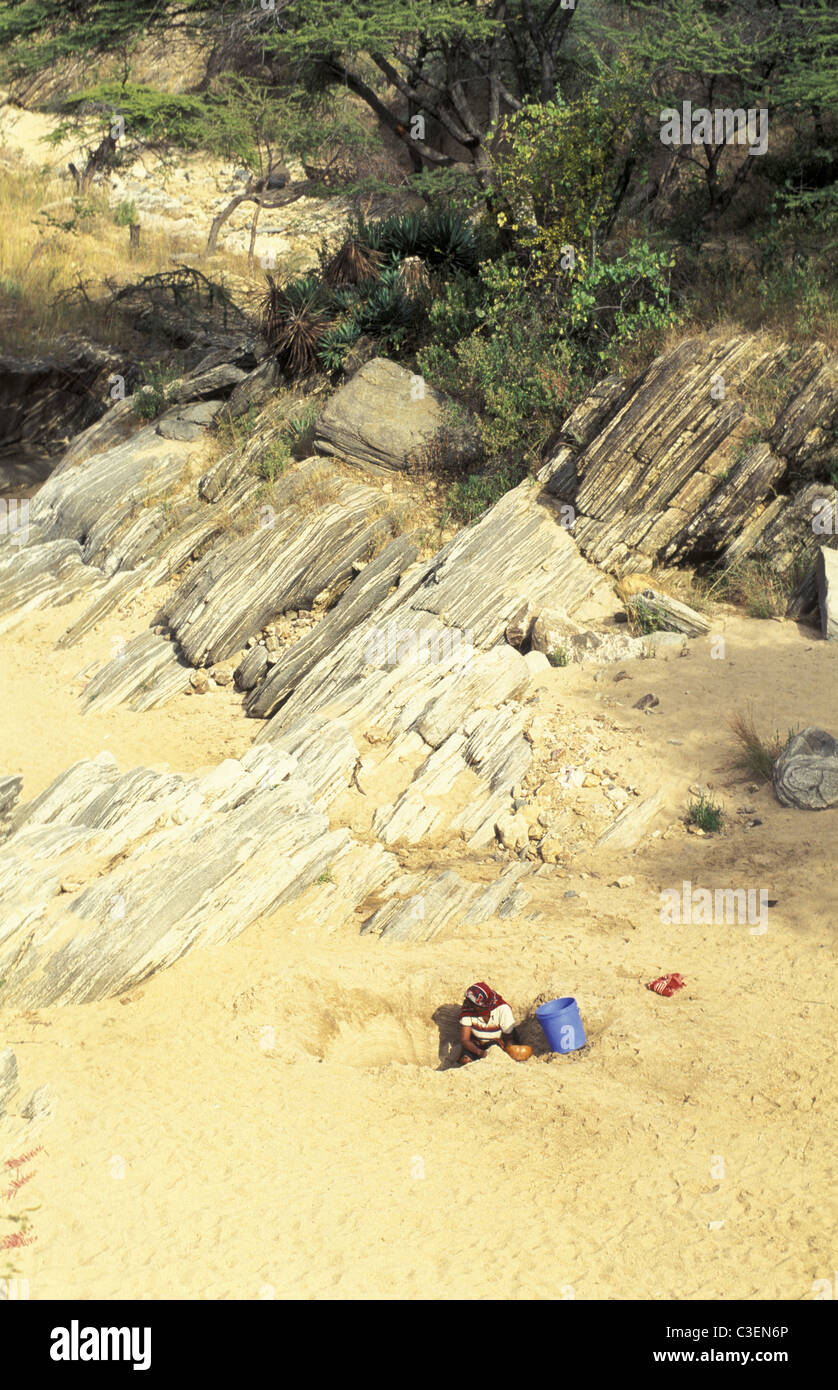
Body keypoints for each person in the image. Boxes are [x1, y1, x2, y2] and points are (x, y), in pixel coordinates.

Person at [458, 982, 520, 1065]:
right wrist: (479, 1052)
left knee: (493, 1049)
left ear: (481, 1005)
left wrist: (508, 1055)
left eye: (470, 1002)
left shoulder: (502, 1009)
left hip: (496, 1043)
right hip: (477, 1044)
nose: (465, 1003)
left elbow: (508, 1038)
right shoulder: (467, 1011)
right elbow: (465, 1040)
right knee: (465, 1060)